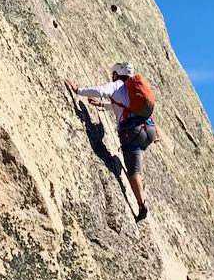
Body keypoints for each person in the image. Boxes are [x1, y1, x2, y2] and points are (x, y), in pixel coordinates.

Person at [65, 63, 158, 221]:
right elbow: (122, 106)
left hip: (133, 132)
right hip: (149, 130)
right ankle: (141, 188)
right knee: (136, 164)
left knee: (133, 171)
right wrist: (102, 105)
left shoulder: (117, 85)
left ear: (116, 74)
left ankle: (141, 204)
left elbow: (101, 91)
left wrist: (78, 90)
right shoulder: (132, 91)